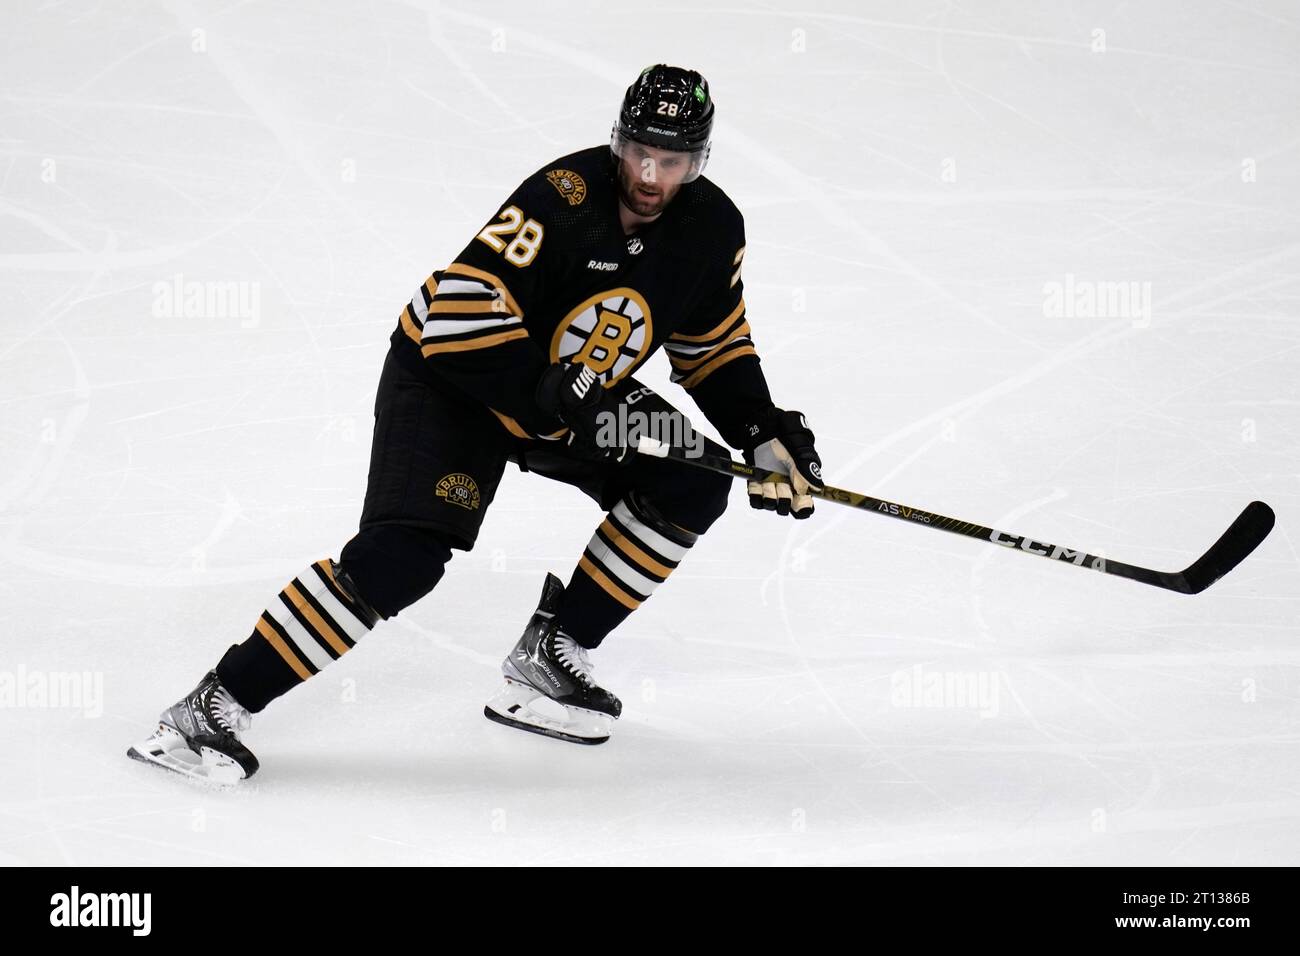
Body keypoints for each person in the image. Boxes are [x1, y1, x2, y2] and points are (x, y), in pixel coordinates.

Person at [127, 64, 824, 783]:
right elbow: (457, 319)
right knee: (402, 559)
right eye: (640, 151)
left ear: (698, 160)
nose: (650, 173)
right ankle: (212, 706)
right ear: (618, 142)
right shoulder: (562, 198)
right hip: (452, 386)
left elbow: (714, 349)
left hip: (571, 407)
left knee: (691, 477)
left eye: (670, 159)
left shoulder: (712, 231)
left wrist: (763, 433)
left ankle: (551, 657)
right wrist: (556, 394)